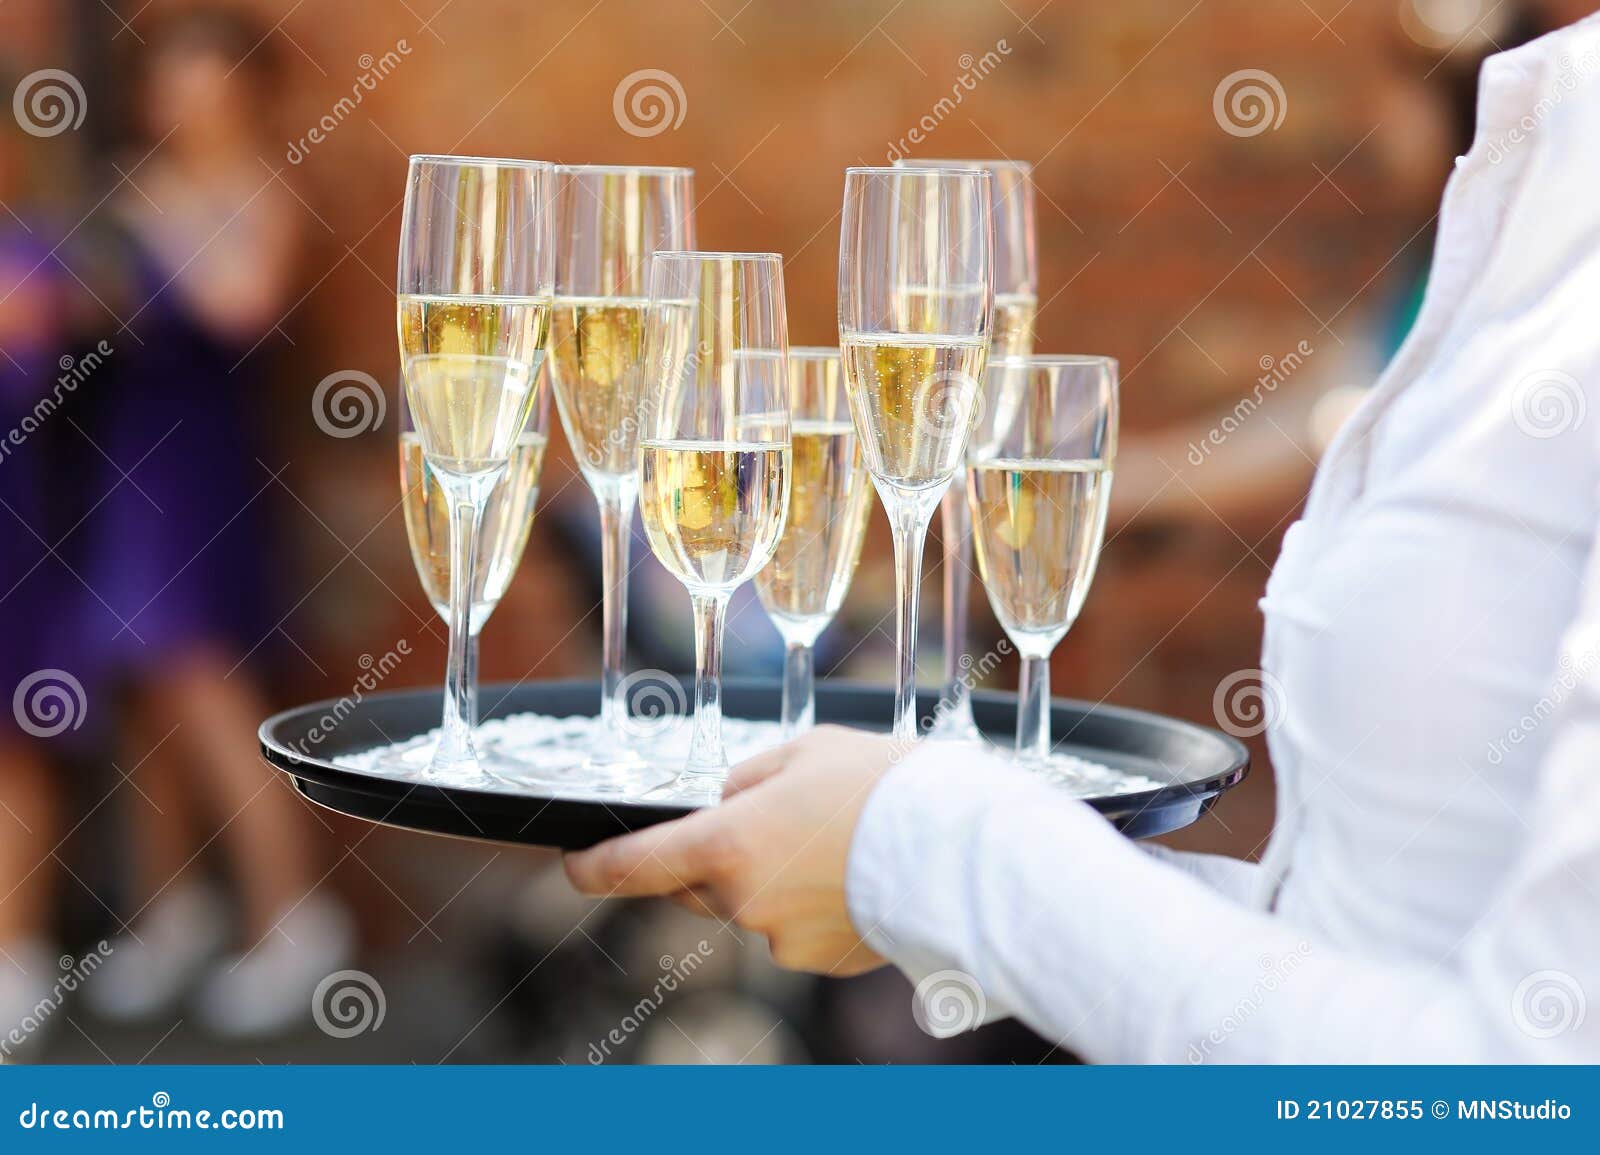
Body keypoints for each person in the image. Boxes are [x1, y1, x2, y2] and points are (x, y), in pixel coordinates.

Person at [566, 11, 1600, 1062]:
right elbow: (1372, 954)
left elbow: (1530, 1091)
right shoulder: (1547, 186)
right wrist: (922, 868)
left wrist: (919, 847)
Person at [73, 7, 349, 1037]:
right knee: (147, 704)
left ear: (241, 89)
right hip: (124, 460)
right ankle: (169, 914)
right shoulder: (132, 187)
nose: (181, 101)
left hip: (202, 472)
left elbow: (242, 305)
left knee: (208, 692)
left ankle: (295, 921)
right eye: (169, 80)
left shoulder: (262, 189)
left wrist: (151, 222)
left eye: (203, 80)